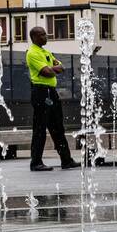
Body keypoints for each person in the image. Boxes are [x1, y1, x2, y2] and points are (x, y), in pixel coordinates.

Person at [26, 26, 78, 172]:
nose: (45, 36)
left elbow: (61, 67)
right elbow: (47, 72)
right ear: (34, 37)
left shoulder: (46, 52)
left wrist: (53, 69)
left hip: (51, 91)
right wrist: (53, 69)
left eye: (45, 34)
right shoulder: (32, 53)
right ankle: (36, 162)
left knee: (58, 127)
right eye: (42, 35)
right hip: (40, 92)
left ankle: (66, 160)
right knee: (40, 128)